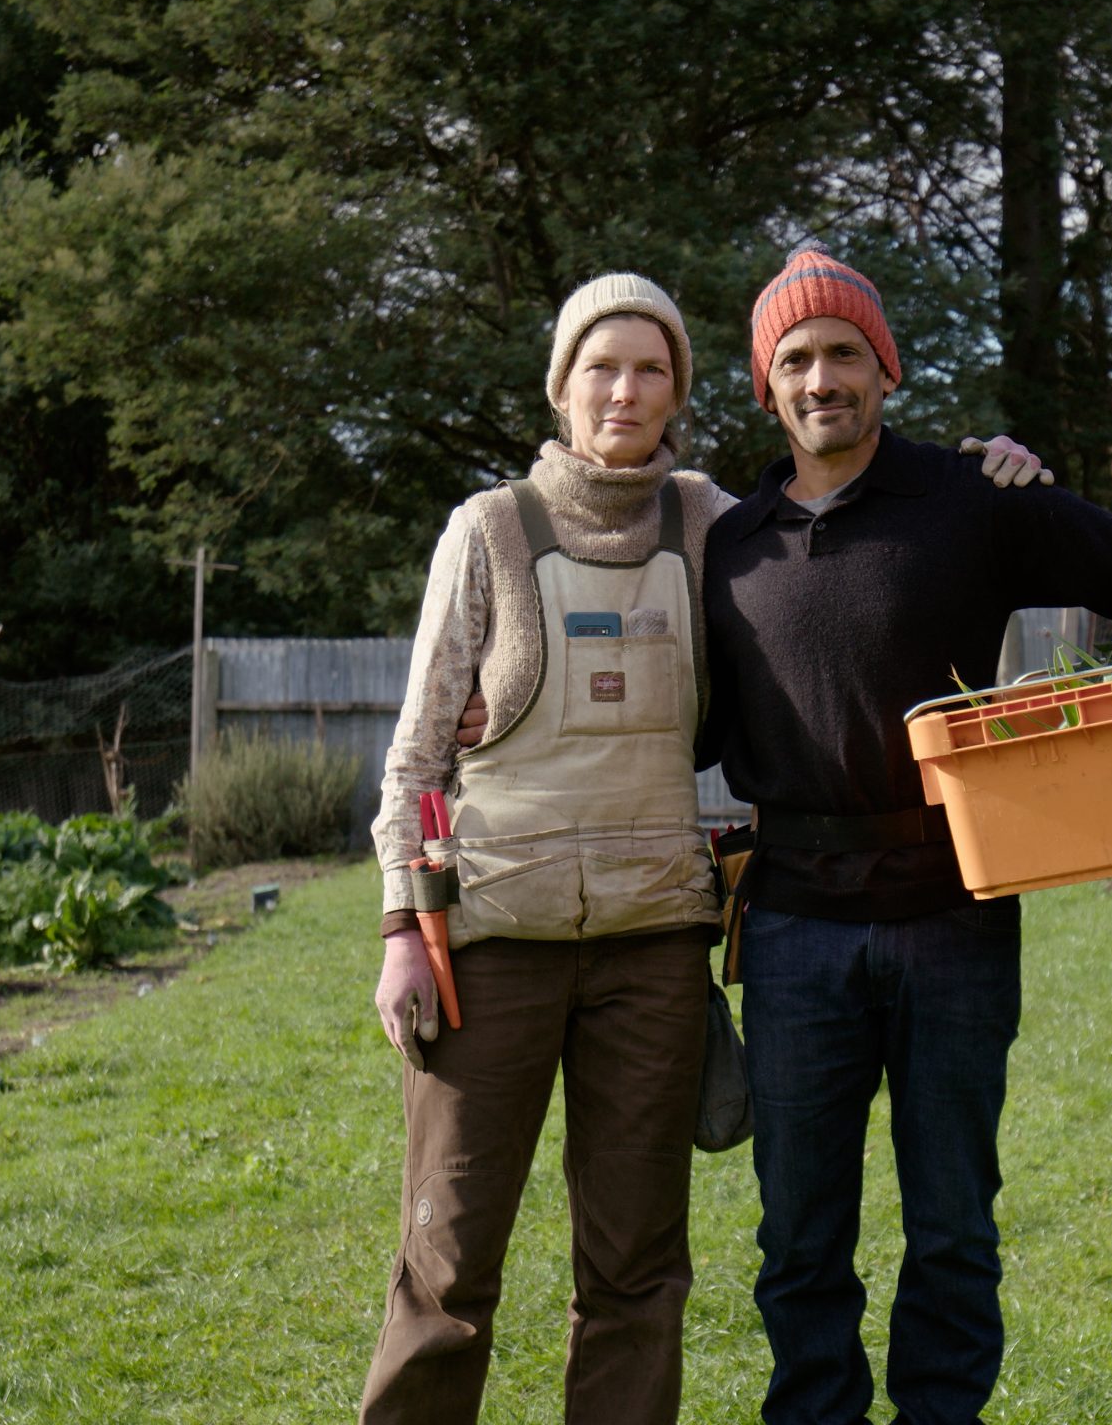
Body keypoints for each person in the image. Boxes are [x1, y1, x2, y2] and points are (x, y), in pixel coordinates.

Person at [358, 271, 1047, 1424]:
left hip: (656, 952)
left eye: (650, 369)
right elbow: (417, 752)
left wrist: (984, 471)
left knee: (635, 1273)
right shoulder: (486, 531)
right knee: (446, 1265)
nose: (623, 391)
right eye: (600, 368)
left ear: (679, 391)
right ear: (562, 386)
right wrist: (400, 929)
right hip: (490, 946)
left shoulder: (713, 525)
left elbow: (849, 516)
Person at [700, 243, 1112, 1425]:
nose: (822, 380)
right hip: (795, 933)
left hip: (954, 921)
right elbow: (678, 728)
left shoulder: (973, 501)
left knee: (952, 1227)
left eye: (845, 354)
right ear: (766, 385)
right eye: (795, 359)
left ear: (886, 369)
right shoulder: (726, 547)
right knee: (799, 1239)